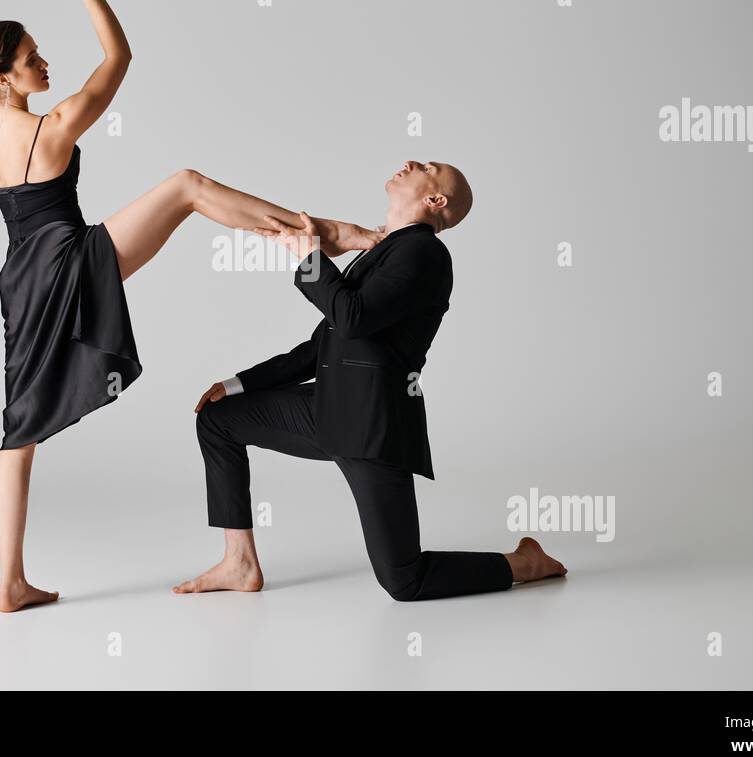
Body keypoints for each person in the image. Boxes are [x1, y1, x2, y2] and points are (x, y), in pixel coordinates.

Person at [0, 0, 378, 612]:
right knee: (185, 185)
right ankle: (323, 231)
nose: (44, 63)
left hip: (21, 281)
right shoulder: (53, 127)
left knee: (18, 431)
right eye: (32, 58)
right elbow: (119, 54)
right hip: (72, 263)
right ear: (4, 76)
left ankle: (9, 581)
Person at [174, 159, 568, 599]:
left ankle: (524, 563)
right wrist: (236, 384)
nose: (412, 163)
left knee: (405, 580)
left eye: (427, 167)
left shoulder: (425, 254)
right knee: (217, 419)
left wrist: (311, 260)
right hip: (324, 412)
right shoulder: (381, 253)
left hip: (371, 426)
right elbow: (318, 348)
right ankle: (240, 563)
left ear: (434, 199)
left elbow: (352, 317)